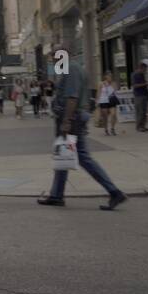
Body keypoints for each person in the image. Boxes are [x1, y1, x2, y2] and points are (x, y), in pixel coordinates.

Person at [38, 43, 128, 211]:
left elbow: (72, 97)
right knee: (64, 155)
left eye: (56, 55)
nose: (54, 59)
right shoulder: (70, 68)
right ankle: (56, 195)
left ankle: (114, 192)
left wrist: (66, 121)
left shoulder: (72, 69)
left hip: (72, 118)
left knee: (82, 157)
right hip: (73, 117)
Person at [97, 72, 118, 136]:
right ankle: (106, 129)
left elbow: (115, 92)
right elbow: (98, 93)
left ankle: (112, 129)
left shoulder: (114, 83)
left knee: (113, 114)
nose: (110, 77)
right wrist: (97, 101)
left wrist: (111, 85)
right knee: (105, 116)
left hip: (111, 100)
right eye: (109, 76)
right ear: (105, 76)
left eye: (111, 76)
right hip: (103, 101)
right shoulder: (101, 83)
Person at [132, 63, 148, 132]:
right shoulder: (135, 75)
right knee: (140, 111)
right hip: (139, 95)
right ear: (141, 68)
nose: (145, 70)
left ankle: (143, 126)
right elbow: (135, 85)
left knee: (144, 112)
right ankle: (139, 127)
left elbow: (144, 84)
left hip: (144, 94)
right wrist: (146, 84)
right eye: (145, 69)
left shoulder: (142, 75)